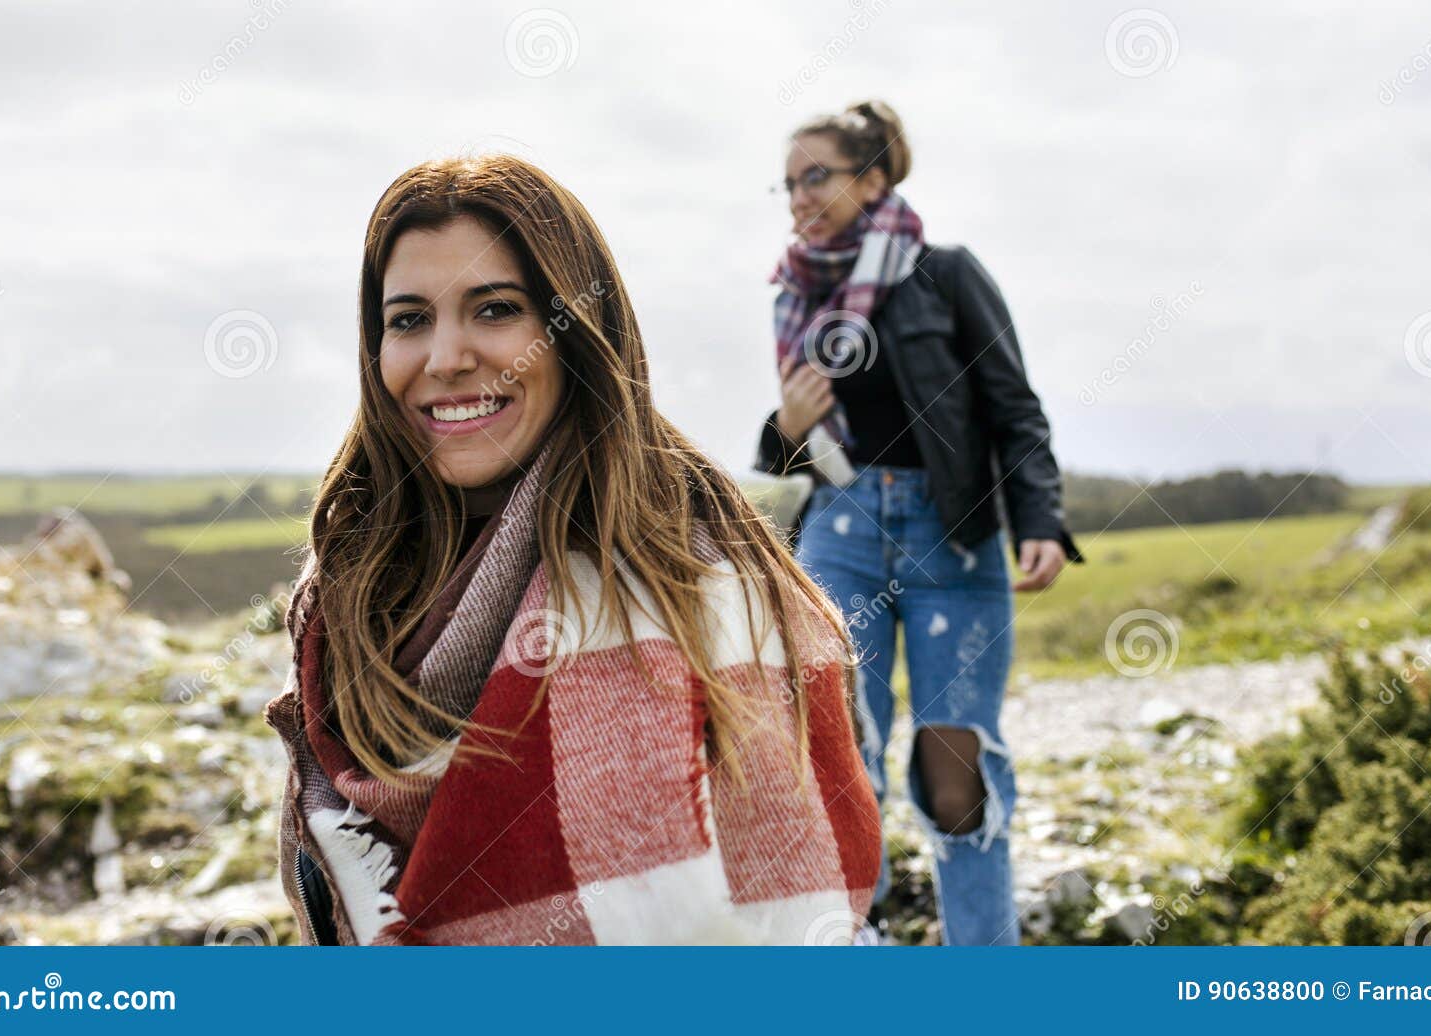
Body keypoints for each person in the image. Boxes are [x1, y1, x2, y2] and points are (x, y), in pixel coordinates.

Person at [263, 153, 882, 945]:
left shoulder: (702, 588)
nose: (446, 357)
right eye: (410, 319)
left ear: (576, 336)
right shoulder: (343, 595)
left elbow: (795, 923)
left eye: (495, 310)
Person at [754, 100, 1083, 946]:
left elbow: (1015, 407)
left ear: (874, 178)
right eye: (788, 182)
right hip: (841, 527)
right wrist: (784, 428)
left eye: (815, 176)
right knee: (837, 756)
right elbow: (785, 451)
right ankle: (852, 954)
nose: (797, 196)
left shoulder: (947, 274)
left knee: (955, 777)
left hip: (955, 531)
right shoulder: (794, 293)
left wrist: (1038, 518)